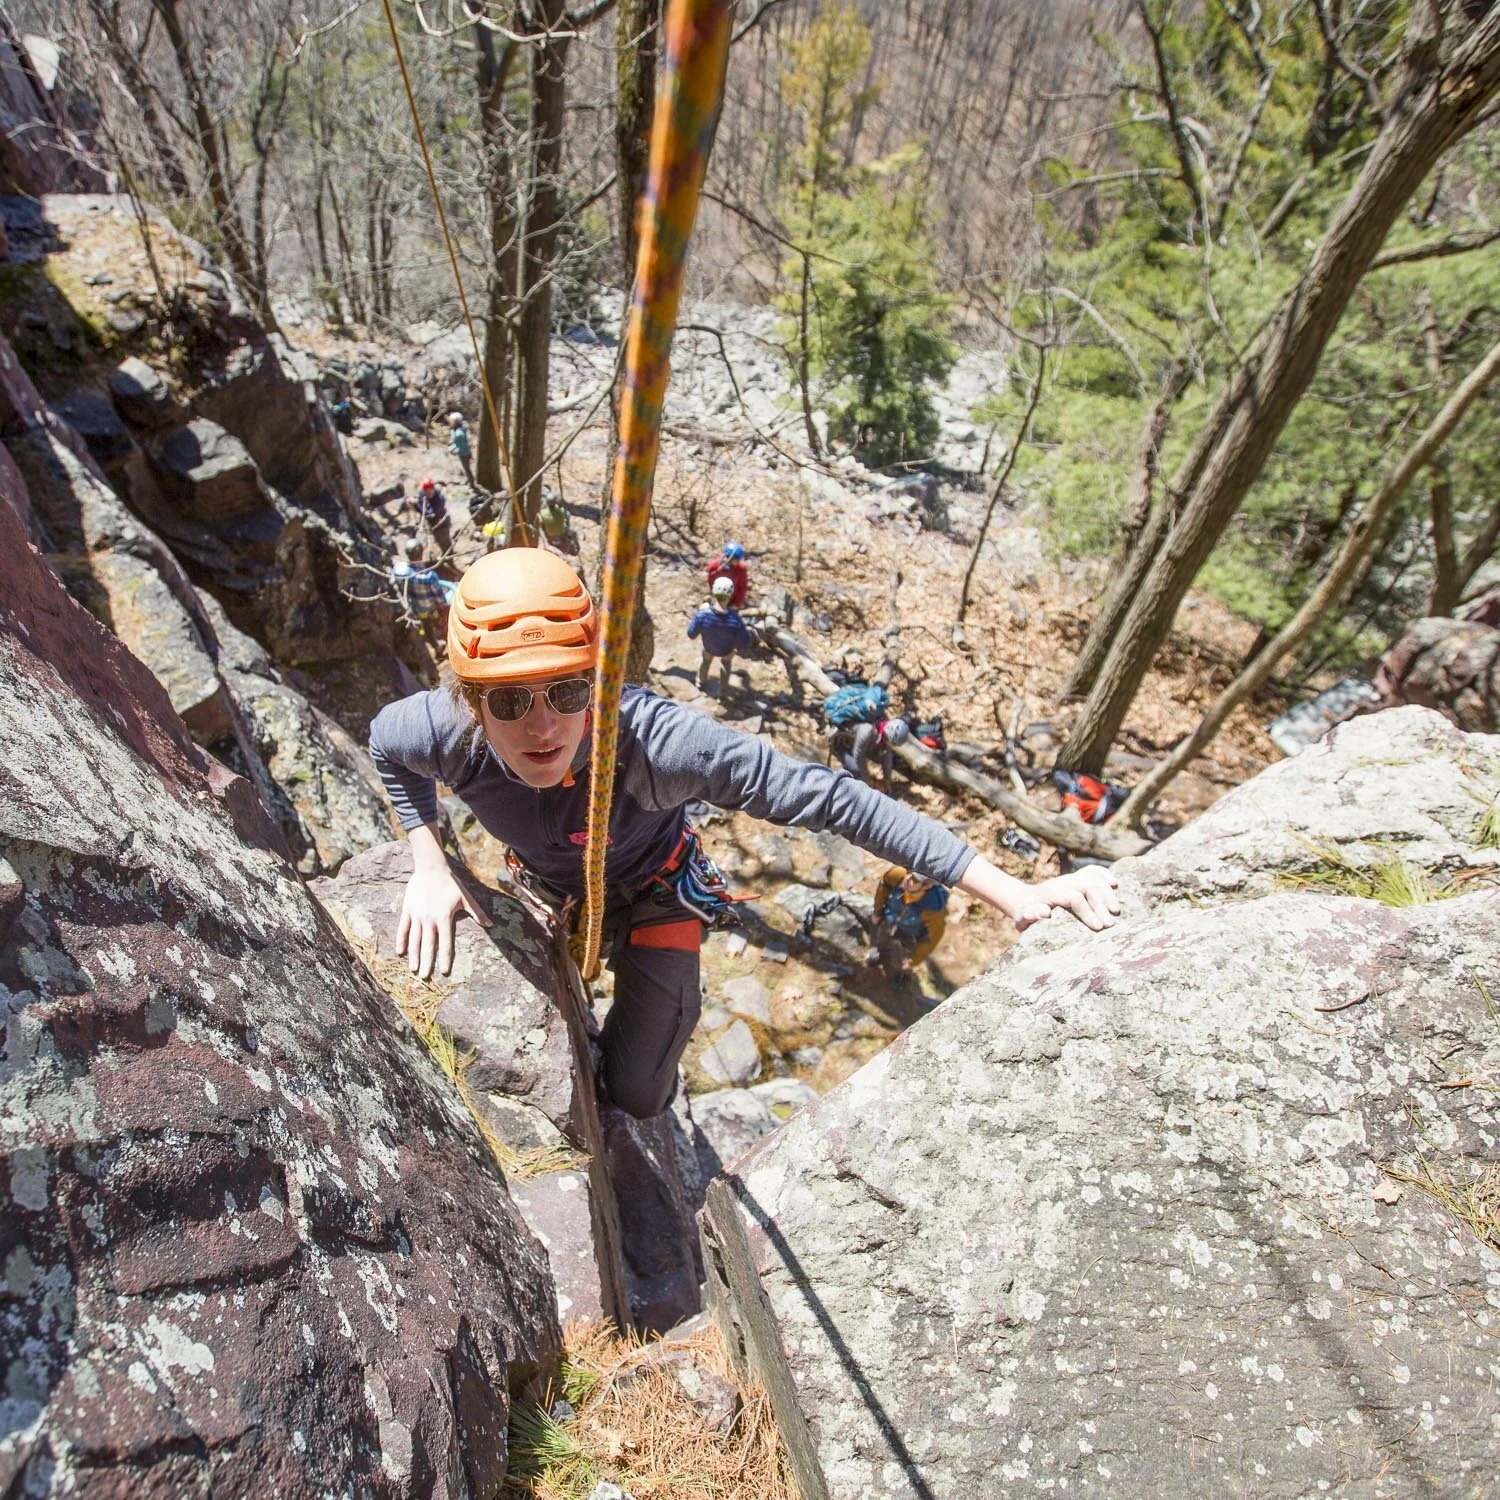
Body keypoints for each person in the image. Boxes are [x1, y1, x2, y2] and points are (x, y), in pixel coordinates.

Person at [367, 548, 1119, 1121]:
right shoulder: (444, 733)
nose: (542, 724)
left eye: (567, 690)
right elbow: (383, 748)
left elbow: (829, 800)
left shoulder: (655, 747)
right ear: (467, 699)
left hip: (659, 888)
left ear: (598, 679)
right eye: (508, 700)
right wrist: (430, 862)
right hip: (546, 885)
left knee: (637, 1090)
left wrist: (1010, 891)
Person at [872, 865, 950, 977]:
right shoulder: (899, 874)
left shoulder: (933, 909)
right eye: (910, 873)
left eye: (915, 879)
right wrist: (877, 910)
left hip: (908, 936)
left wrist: (912, 961)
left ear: (926, 886)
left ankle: (899, 978)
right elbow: (884, 885)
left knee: (899, 965)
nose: (908, 878)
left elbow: (933, 938)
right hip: (888, 919)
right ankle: (879, 954)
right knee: (882, 941)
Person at [688, 575, 754, 696]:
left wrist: (698, 615)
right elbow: (746, 641)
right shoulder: (735, 619)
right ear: (730, 594)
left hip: (709, 647)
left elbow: (691, 634)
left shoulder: (703, 615)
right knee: (726, 665)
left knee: (705, 662)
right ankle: (723, 692)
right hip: (726, 651)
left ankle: (701, 683)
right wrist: (736, 650)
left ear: (714, 592)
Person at [841, 714, 910, 789]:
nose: (891, 745)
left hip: (859, 745)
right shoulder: (867, 731)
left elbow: (887, 755)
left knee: (885, 756)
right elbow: (858, 757)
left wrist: (887, 780)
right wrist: (868, 781)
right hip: (842, 743)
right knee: (856, 771)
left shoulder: (884, 729)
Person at [417, 475, 452, 560]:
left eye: (430, 492)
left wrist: (419, 509)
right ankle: (442, 553)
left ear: (433, 489)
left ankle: (449, 557)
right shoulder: (422, 493)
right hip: (432, 523)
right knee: (437, 539)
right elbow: (420, 503)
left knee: (445, 542)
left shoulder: (439, 499)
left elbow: (431, 513)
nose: (428, 494)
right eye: (426, 492)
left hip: (441, 523)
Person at [706, 541, 748, 609]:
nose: (738, 562)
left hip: (732, 601)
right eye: (736, 560)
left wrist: (736, 604)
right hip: (718, 598)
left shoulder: (741, 569)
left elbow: (742, 587)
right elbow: (710, 581)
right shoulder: (714, 566)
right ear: (729, 559)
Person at [447, 413, 475, 488]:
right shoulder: (458, 428)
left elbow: (462, 446)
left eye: (451, 421)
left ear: (456, 422)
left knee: (467, 468)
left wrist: (453, 450)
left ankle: (471, 482)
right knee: (466, 467)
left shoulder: (459, 434)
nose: (450, 422)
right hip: (464, 452)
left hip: (464, 453)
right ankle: (468, 479)